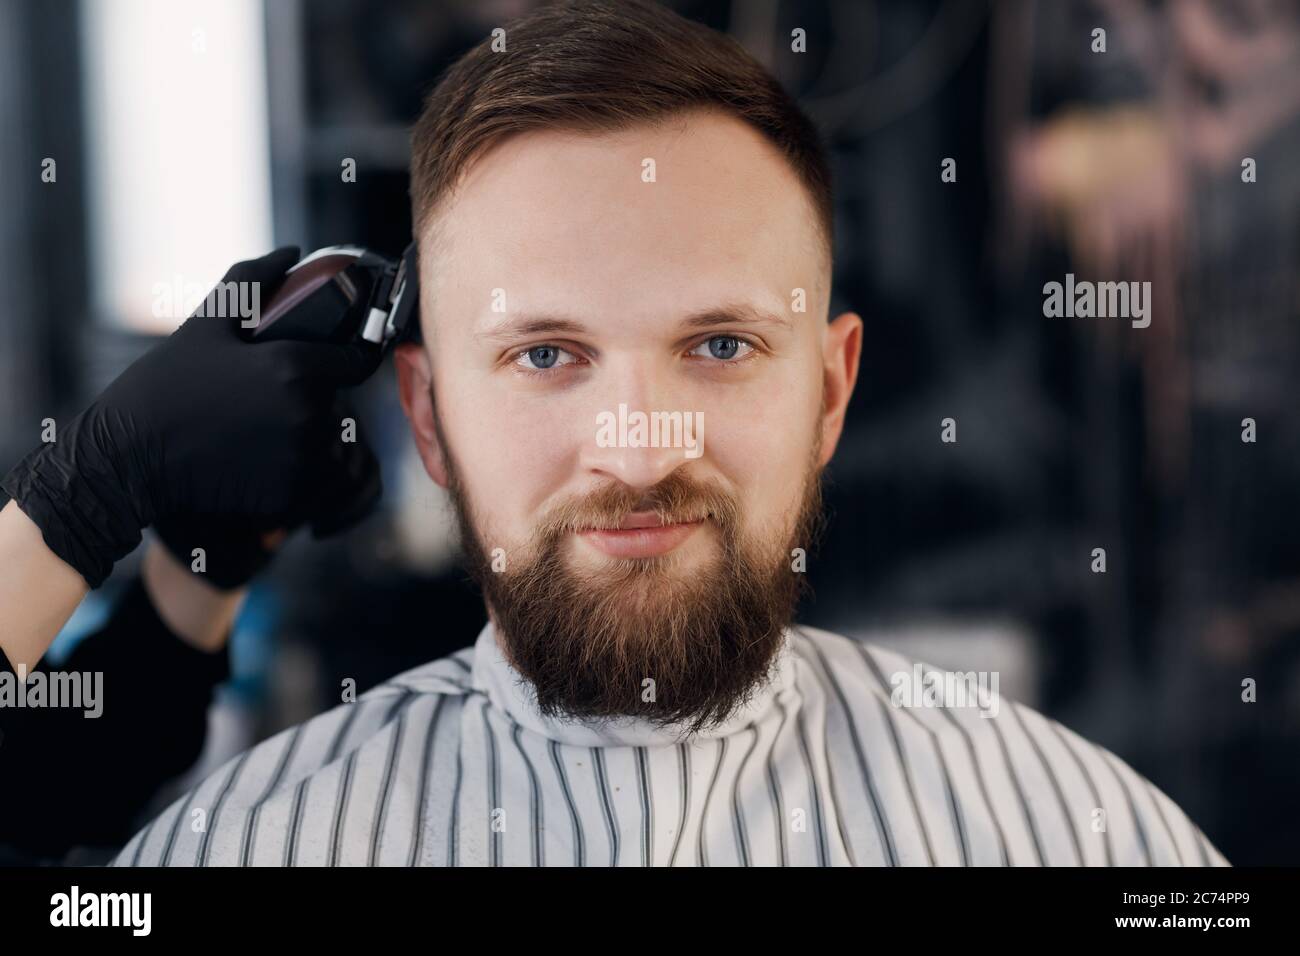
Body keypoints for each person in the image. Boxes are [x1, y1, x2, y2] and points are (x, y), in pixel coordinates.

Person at [1, 0, 1226, 866]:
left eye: (720, 344)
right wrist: (87, 505)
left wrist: (165, 599)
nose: (638, 446)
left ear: (830, 392)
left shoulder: (1078, 834)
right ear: (427, 414)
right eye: (545, 355)